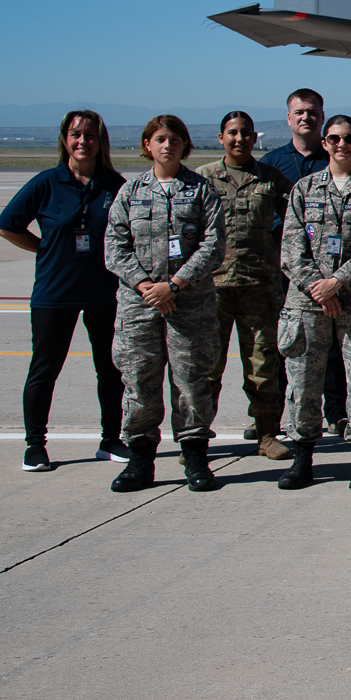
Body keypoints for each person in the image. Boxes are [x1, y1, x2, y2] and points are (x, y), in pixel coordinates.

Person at [0, 110, 130, 472]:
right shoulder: (46, 183)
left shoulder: (115, 186)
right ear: (64, 139)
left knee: (111, 369)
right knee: (44, 369)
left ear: (101, 141)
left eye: (90, 135)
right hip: (55, 292)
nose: (83, 141)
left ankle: (111, 440)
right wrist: (43, 248)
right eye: (75, 134)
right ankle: (35, 445)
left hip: (104, 291)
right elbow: (6, 226)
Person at [103, 115, 227, 493]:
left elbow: (213, 245)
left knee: (191, 382)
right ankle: (140, 461)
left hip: (189, 305)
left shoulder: (202, 190)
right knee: (139, 381)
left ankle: (195, 458)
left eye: (175, 139)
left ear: (185, 144)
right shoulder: (130, 192)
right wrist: (146, 287)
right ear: (147, 145)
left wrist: (173, 286)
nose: (167, 145)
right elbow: (114, 246)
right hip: (140, 306)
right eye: (160, 139)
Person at [274, 114, 351, 490]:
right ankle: (302, 459)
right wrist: (318, 288)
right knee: (304, 381)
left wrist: (337, 283)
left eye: (350, 139)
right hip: (307, 302)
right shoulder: (304, 189)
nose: (342, 145)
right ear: (324, 143)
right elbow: (292, 248)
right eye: (335, 138)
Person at [195, 111, 292, 461]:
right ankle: (197, 438)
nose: (239, 139)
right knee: (207, 368)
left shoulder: (271, 178)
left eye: (246, 133)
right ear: (221, 137)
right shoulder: (203, 178)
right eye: (232, 133)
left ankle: (266, 434)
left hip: (259, 288)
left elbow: (296, 219)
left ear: (254, 137)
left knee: (263, 368)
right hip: (212, 288)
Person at [261, 88, 347, 434]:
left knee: (332, 347)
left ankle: (337, 412)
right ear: (288, 118)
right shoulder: (272, 163)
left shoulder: (332, 158)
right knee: (286, 343)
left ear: (322, 117)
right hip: (287, 270)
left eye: (312, 112)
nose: (306, 118)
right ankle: (275, 416)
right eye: (299, 112)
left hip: (330, 273)